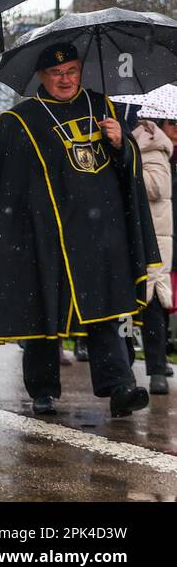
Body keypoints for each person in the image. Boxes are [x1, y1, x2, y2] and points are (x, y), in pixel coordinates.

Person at [0, 43, 152, 419]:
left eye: (71, 71)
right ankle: (43, 390)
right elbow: (7, 188)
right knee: (42, 312)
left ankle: (119, 387)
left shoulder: (103, 107)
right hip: (45, 235)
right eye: (56, 73)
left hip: (101, 234)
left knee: (107, 311)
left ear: (80, 70)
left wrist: (121, 143)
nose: (65, 79)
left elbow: (127, 171)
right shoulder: (21, 120)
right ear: (41, 76)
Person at [128, 114, 171, 395]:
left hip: (152, 237)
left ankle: (156, 370)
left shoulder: (151, 144)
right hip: (130, 235)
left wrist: (126, 167)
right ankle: (125, 373)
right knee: (125, 307)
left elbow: (157, 187)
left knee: (153, 301)